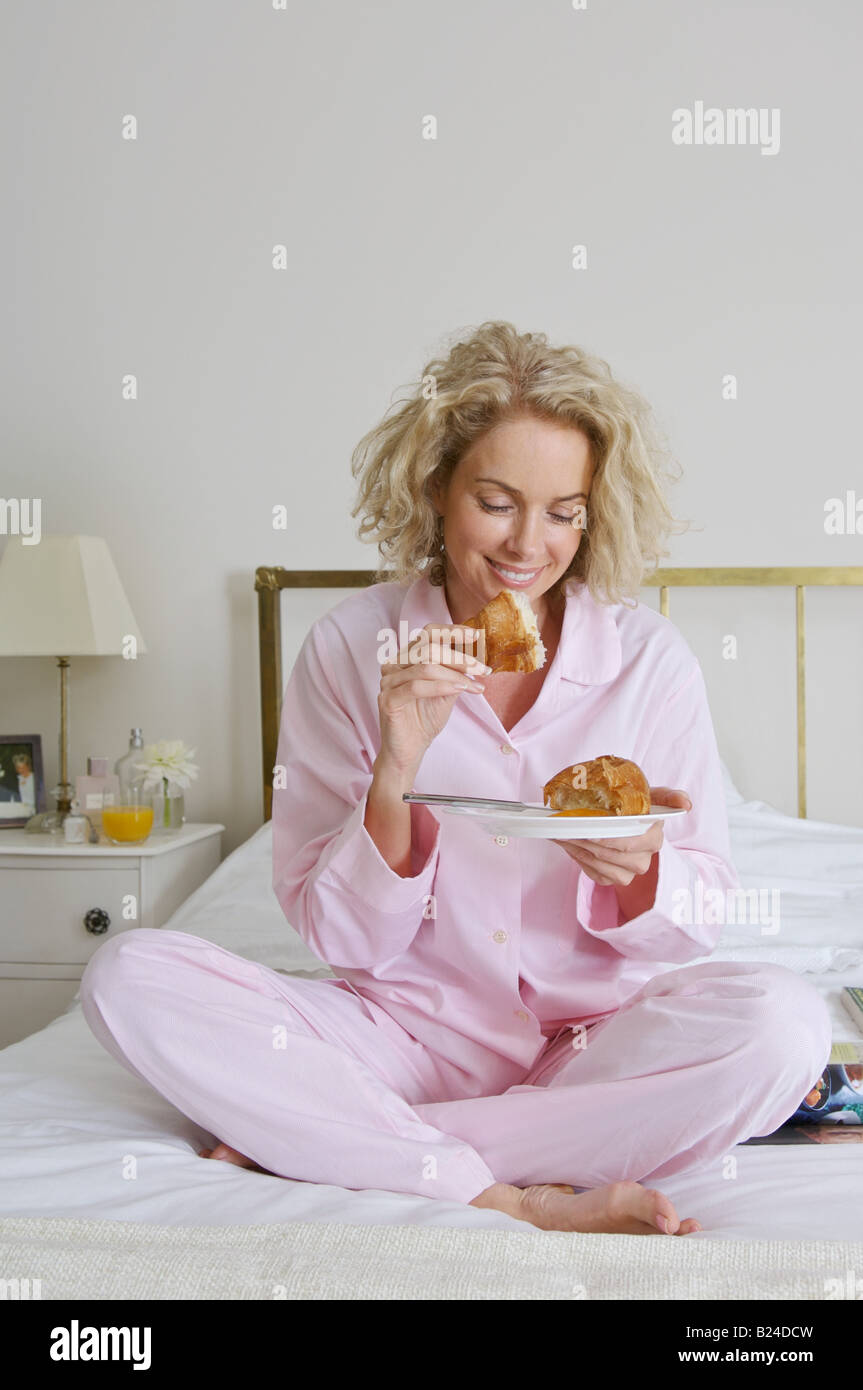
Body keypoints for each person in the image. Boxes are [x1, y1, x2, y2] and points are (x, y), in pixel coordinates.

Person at [79, 321, 831, 1236]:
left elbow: (701, 917)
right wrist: (396, 762)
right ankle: (501, 1189)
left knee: (785, 1029)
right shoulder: (350, 647)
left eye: (564, 510)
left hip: (588, 1047)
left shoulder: (650, 659)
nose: (529, 546)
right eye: (497, 501)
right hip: (396, 1035)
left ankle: (352, 1144)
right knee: (129, 973)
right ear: (435, 490)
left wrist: (637, 870)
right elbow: (337, 935)